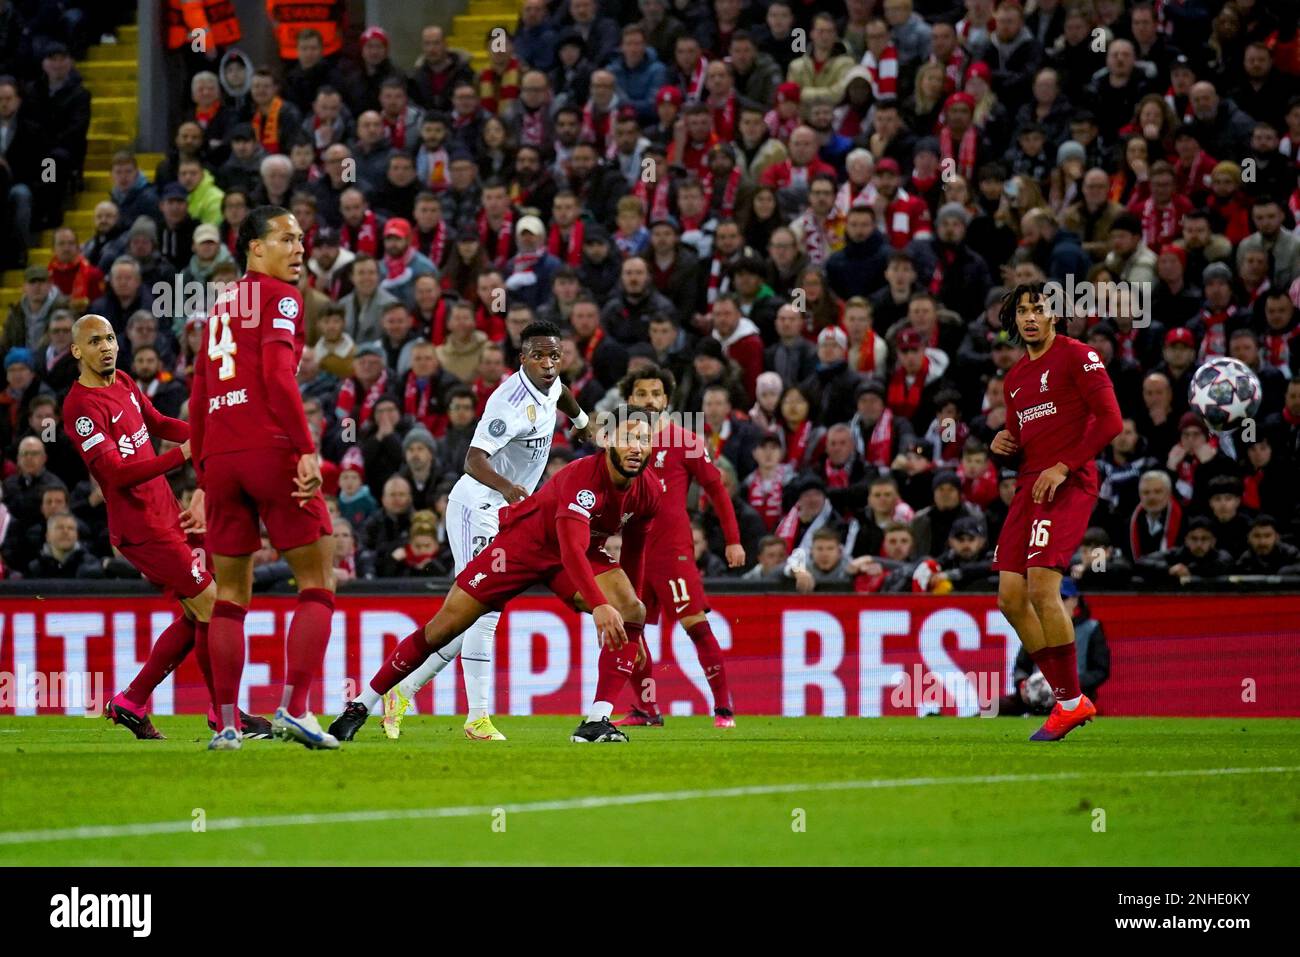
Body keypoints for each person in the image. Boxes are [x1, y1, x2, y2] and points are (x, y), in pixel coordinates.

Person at [329, 406, 664, 745]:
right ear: (607, 442)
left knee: (632, 609)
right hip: (523, 547)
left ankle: (596, 722)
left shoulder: (650, 490)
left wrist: (630, 622)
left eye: (644, 440)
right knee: (443, 628)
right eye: (627, 438)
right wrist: (600, 606)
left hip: (576, 552)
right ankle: (360, 705)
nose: (636, 447)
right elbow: (570, 550)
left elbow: (634, 552)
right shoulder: (584, 479)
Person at [380, 320, 595, 742]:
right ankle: (476, 717)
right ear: (523, 358)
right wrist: (508, 487)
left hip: (509, 513)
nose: (549, 364)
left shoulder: (548, 383)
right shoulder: (508, 403)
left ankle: (401, 691)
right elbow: (473, 459)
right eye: (539, 356)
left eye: (555, 355)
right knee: (483, 607)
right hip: (478, 504)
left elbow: (562, 394)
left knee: (466, 616)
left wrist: (583, 421)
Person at [63, 314, 269, 741]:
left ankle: (132, 701)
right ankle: (222, 714)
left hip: (167, 512)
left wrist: (207, 435)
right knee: (215, 606)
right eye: (96, 341)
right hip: (140, 529)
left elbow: (157, 424)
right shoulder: (80, 408)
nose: (107, 346)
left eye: (111, 338)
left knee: (199, 614)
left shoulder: (121, 380)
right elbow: (115, 476)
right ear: (77, 351)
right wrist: (184, 456)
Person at [188, 205, 337, 751]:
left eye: (301, 239)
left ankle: (226, 725)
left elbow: (200, 394)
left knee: (229, 592)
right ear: (254, 247)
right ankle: (295, 709)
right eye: (285, 239)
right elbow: (277, 375)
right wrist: (304, 447)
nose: (298, 248)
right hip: (269, 449)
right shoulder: (281, 298)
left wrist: (204, 478)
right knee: (318, 580)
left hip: (222, 458)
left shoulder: (221, 305)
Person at [989, 282, 1122, 741]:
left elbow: (1110, 421)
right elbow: (1019, 444)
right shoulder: (1015, 380)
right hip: (1029, 486)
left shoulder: (1079, 355)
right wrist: (1002, 447)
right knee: (1009, 596)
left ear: (1053, 315)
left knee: (1044, 585)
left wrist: (1064, 466)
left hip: (1068, 482)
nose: (1029, 316)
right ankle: (1069, 701)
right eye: (1022, 310)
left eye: (1038, 308)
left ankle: (1068, 701)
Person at [612, 365, 745, 729]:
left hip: (672, 549)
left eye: (656, 394)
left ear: (666, 400)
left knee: (695, 625)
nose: (650, 401)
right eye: (642, 394)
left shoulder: (684, 439)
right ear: (629, 400)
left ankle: (723, 709)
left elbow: (716, 488)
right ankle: (647, 709)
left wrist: (733, 540)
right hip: (635, 552)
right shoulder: (619, 443)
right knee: (628, 632)